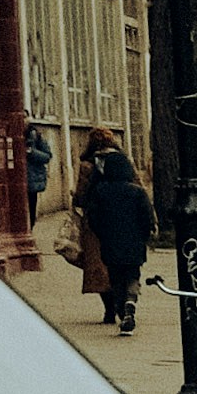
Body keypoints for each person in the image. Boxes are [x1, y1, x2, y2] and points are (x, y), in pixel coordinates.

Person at [78, 135, 155, 335]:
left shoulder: (101, 191)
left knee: (115, 277)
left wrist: (101, 234)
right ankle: (131, 302)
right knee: (132, 275)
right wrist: (145, 235)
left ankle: (121, 309)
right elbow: (146, 217)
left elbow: (93, 217)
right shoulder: (137, 192)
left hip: (110, 242)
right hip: (134, 242)